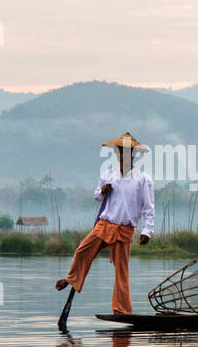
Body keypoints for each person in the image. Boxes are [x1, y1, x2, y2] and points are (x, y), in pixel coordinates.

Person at [55, 133, 154, 314]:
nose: (122, 155)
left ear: (133, 155)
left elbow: (149, 208)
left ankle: (121, 309)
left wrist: (147, 231)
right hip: (105, 224)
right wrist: (103, 190)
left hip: (125, 228)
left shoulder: (143, 179)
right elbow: (96, 196)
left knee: (121, 271)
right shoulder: (108, 174)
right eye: (120, 152)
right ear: (116, 155)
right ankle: (71, 278)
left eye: (127, 152)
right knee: (82, 250)